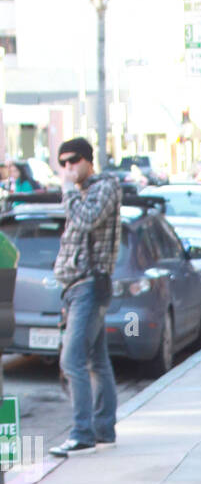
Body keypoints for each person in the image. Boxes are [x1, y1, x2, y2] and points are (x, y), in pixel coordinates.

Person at [48, 137, 122, 457]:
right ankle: (103, 429)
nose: (67, 167)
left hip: (90, 285)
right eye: (62, 162)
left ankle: (82, 433)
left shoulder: (105, 187)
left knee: (72, 360)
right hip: (75, 286)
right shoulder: (80, 191)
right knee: (96, 361)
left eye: (73, 160)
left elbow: (87, 220)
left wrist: (66, 190)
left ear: (88, 160)